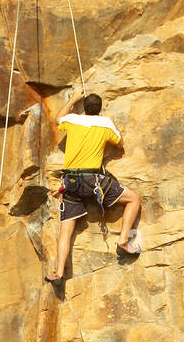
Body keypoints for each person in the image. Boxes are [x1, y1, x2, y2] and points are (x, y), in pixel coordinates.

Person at [46, 92, 141, 289]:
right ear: (99, 108)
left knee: (66, 229)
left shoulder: (72, 120)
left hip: (71, 181)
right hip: (92, 180)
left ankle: (59, 273)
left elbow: (58, 119)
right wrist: (108, 125)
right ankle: (123, 241)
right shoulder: (105, 123)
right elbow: (120, 144)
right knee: (133, 199)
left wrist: (72, 100)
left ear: (84, 107)